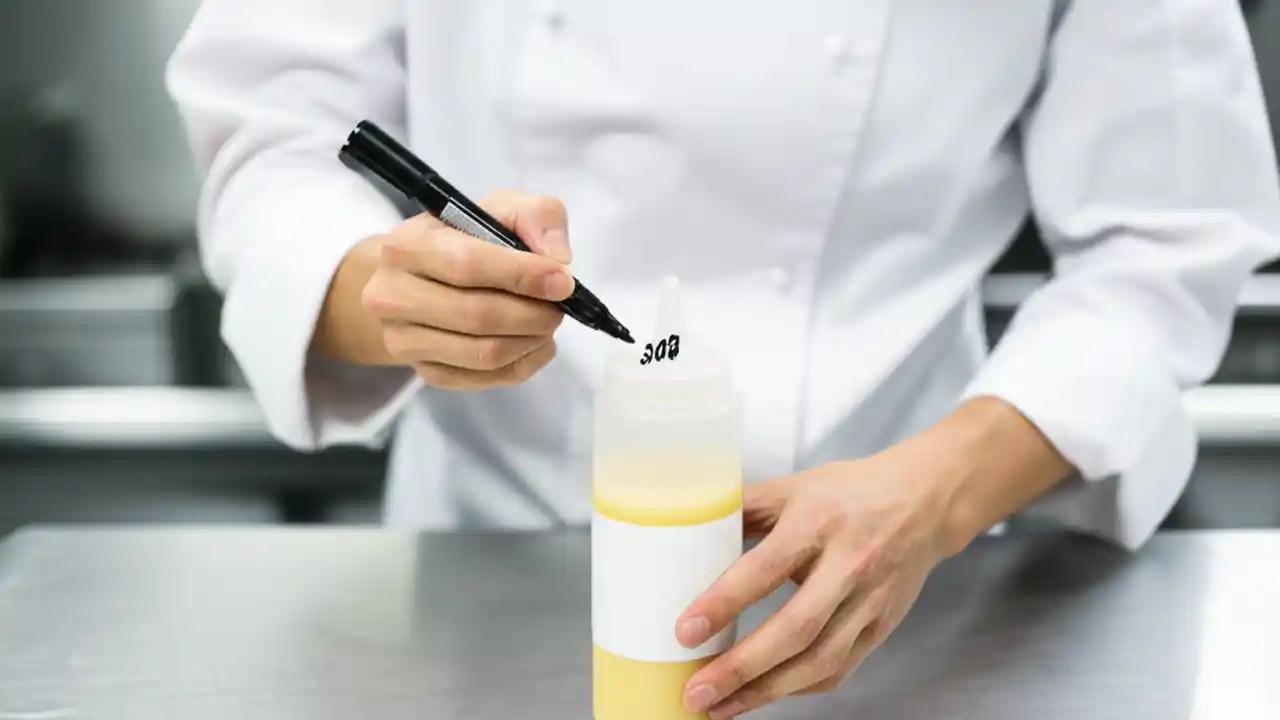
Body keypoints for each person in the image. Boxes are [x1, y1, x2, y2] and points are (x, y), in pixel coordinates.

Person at [167, 2, 1280, 716]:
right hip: (494, 575)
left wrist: (930, 495)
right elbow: (273, 139)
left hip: (908, 595)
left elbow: (1165, 238)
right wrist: (388, 289)